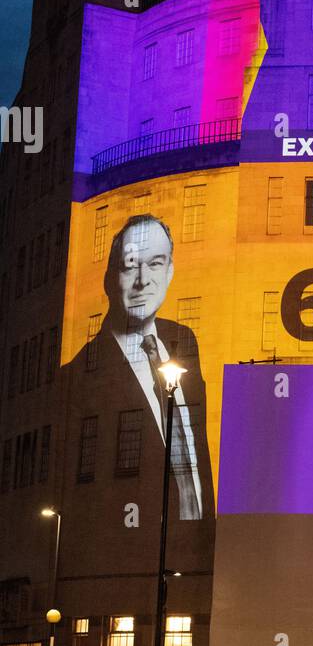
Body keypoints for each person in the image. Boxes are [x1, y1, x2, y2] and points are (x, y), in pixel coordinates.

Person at [64, 214, 214, 522]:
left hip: (196, 532)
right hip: (136, 527)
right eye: (131, 265)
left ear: (170, 272)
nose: (143, 279)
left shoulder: (183, 339)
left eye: (156, 263)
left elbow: (197, 440)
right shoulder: (81, 370)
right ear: (110, 278)